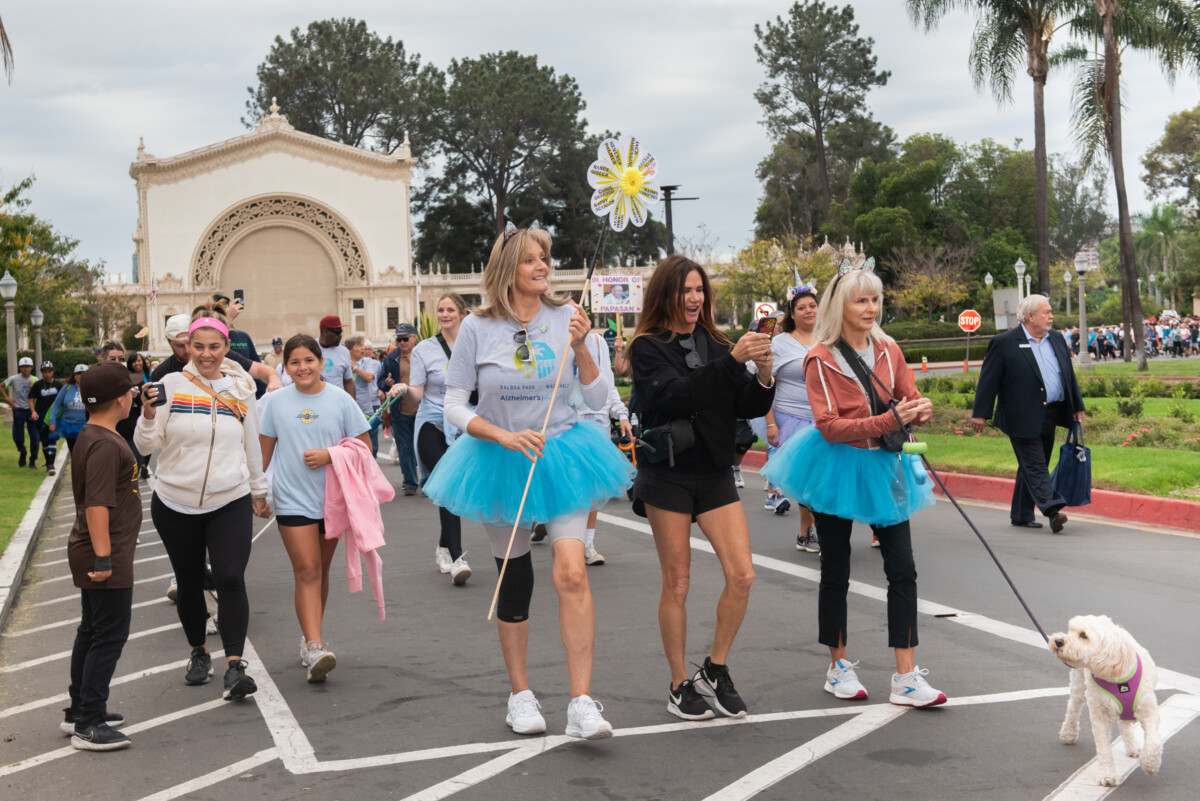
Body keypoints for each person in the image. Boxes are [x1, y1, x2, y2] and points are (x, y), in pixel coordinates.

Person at [423, 223, 633, 740]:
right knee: (514, 581)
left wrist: (584, 347)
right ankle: (520, 695)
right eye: (532, 260)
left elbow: (596, 395)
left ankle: (582, 703)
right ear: (507, 268)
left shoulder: (570, 316)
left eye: (546, 258)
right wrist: (499, 434)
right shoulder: (476, 326)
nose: (543, 266)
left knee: (572, 570)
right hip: (500, 457)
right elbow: (453, 403)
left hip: (562, 453)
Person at [762, 265, 944, 708]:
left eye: (875, 299)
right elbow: (827, 426)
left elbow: (908, 396)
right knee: (837, 568)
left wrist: (920, 410)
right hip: (835, 464)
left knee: (902, 567)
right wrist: (891, 419)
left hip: (885, 463)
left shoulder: (889, 348)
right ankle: (837, 664)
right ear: (838, 306)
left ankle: (906, 675)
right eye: (860, 300)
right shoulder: (819, 358)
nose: (870, 308)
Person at [628, 255, 775, 721]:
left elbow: (742, 402)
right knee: (679, 583)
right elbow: (677, 395)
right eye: (686, 291)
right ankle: (678, 685)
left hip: (712, 473)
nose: (695, 298)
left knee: (743, 574)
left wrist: (765, 373)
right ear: (667, 295)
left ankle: (715, 668)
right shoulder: (648, 347)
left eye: (699, 290)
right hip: (668, 472)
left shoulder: (716, 341)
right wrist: (733, 361)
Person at [134, 309, 269, 701]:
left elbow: (251, 446)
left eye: (214, 346)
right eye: (198, 346)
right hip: (175, 502)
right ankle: (198, 652)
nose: (206, 354)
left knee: (229, 576)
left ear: (227, 347)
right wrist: (146, 414)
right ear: (186, 347)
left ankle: (234, 665)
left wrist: (258, 491)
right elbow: (145, 446)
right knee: (190, 582)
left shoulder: (241, 389)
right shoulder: (169, 385)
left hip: (230, 498)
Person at [259, 334, 372, 683]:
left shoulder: (340, 400)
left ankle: (312, 638)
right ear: (285, 367)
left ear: (321, 363)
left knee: (320, 570)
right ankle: (314, 645)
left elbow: (364, 447)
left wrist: (330, 455)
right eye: (294, 362)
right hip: (292, 499)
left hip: (332, 500)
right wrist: (257, 492)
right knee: (307, 569)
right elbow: (262, 454)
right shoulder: (275, 403)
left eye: (309, 360)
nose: (302, 367)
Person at [63, 361, 140, 751]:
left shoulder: (93, 434)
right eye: (130, 391)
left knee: (92, 630)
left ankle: (79, 708)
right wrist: (105, 557)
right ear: (121, 399)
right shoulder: (106, 444)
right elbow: (97, 505)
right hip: (103, 551)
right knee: (109, 635)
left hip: (96, 548)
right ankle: (89, 723)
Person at [972, 294, 1086, 533]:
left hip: (1051, 412)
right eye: (1047, 312)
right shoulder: (1004, 342)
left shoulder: (1056, 339)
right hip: (1019, 415)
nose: (1051, 316)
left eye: (1051, 311)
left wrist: (1077, 406)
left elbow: (1068, 375)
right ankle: (1053, 510)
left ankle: (1021, 515)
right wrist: (981, 413)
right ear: (1030, 316)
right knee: (1035, 465)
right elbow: (988, 380)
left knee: (1035, 463)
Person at [404, 293, 471, 584]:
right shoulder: (424, 349)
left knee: (455, 488)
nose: (444, 314)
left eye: (450, 310)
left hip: (465, 424)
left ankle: (444, 547)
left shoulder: (475, 346)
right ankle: (457, 558)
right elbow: (418, 392)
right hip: (432, 421)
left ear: (462, 313)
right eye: (440, 310)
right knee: (449, 484)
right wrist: (403, 390)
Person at [569, 328, 633, 567]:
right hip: (567, 424)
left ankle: (587, 544)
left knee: (593, 487)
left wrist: (622, 415)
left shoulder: (597, 342)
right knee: (572, 485)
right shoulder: (555, 339)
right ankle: (559, 531)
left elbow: (607, 383)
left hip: (597, 424)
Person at [765, 285, 819, 552]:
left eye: (812, 306)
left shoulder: (830, 337)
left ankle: (814, 531)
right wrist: (770, 423)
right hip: (792, 419)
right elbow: (763, 383)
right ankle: (806, 532)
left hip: (826, 419)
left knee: (823, 478)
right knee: (809, 478)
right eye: (802, 307)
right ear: (792, 314)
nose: (808, 311)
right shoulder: (779, 343)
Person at [150, 313, 281, 391]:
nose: (187, 350)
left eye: (190, 343)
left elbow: (259, 370)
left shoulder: (221, 357)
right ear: (169, 342)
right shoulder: (161, 374)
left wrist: (273, 379)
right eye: (179, 346)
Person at [376, 322, 421, 494]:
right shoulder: (392, 358)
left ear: (414, 337)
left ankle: (427, 480)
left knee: (423, 447)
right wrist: (387, 384)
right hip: (400, 411)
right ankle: (410, 482)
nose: (402, 342)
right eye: (399, 339)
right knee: (405, 447)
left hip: (422, 410)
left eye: (405, 339)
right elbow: (380, 382)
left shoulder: (423, 354)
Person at [345, 335, 382, 457]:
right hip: (350, 411)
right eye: (359, 345)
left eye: (363, 345)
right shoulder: (343, 363)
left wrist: (354, 367)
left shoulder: (368, 362)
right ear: (350, 349)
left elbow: (369, 377)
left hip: (367, 410)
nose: (363, 348)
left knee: (372, 446)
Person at [2, 356, 40, 468]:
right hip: (18, 409)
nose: (26, 369)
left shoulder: (35, 380)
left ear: (31, 368)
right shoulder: (14, 378)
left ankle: (33, 460)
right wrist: (7, 399)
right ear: (20, 367)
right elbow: (1, 386)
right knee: (17, 436)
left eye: (28, 366)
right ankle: (22, 450)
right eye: (23, 366)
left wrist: (34, 388)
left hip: (31, 410)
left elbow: (40, 395)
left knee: (34, 436)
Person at [116, 353, 148, 475]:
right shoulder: (111, 381)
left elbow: (143, 399)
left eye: (120, 358)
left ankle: (142, 465)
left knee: (137, 449)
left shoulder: (139, 379)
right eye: (113, 359)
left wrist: (137, 396)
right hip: (119, 424)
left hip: (135, 420)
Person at [48, 364, 89, 454]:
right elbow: (57, 405)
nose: (81, 376)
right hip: (68, 425)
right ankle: (75, 467)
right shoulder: (67, 387)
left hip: (85, 425)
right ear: (74, 376)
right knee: (73, 451)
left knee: (84, 451)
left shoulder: (91, 388)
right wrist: (52, 421)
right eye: (78, 373)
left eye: (84, 373)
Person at [31, 361, 63, 475]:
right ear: (41, 372)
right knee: (44, 441)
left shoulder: (58, 385)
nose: (47, 374)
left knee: (52, 439)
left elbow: (62, 401)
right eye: (44, 371)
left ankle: (51, 464)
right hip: (41, 416)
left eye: (49, 371)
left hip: (54, 417)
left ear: (53, 372)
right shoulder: (37, 385)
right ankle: (48, 462)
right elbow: (31, 398)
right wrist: (33, 411)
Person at [318, 314, 355, 397]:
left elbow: (348, 382)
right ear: (325, 332)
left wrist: (351, 404)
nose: (340, 335)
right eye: (337, 332)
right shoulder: (310, 347)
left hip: (337, 401)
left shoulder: (344, 351)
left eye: (341, 331)